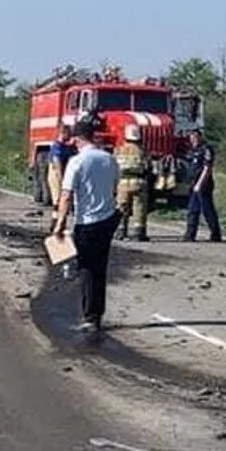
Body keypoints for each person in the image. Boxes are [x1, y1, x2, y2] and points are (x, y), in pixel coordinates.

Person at [50, 119, 120, 331]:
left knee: (87, 269)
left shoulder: (77, 162)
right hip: (108, 220)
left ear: (79, 139)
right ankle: (97, 314)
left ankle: (90, 317)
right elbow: (115, 187)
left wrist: (59, 224)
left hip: (87, 221)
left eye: (74, 141)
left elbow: (66, 194)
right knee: (100, 267)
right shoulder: (110, 159)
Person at [114, 122, 151, 241]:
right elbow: (148, 166)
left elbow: (114, 165)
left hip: (123, 183)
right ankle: (138, 233)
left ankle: (120, 231)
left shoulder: (119, 150)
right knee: (139, 208)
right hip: (139, 182)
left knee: (121, 207)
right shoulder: (143, 151)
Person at [182, 129, 221, 242]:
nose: (193, 140)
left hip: (204, 184)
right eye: (191, 138)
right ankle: (190, 235)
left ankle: (215, 234)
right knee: (192, 210)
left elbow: (207, 168)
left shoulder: (206, 150)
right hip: (194, 184)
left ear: (200, 137)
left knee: (207, 210)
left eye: (195, 138)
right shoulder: (193, 150)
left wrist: (200, 184)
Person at [45, 123, 76, 208]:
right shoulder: (57, 147)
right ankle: (56, 217)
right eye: (69, 134)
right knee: (58, 198)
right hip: (56, 172)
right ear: (63, 133)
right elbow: (57, 162)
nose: (70, 136)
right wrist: (62, 179)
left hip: (62, 171)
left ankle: (61, 214)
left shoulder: (65, 146)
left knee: (63, 197)